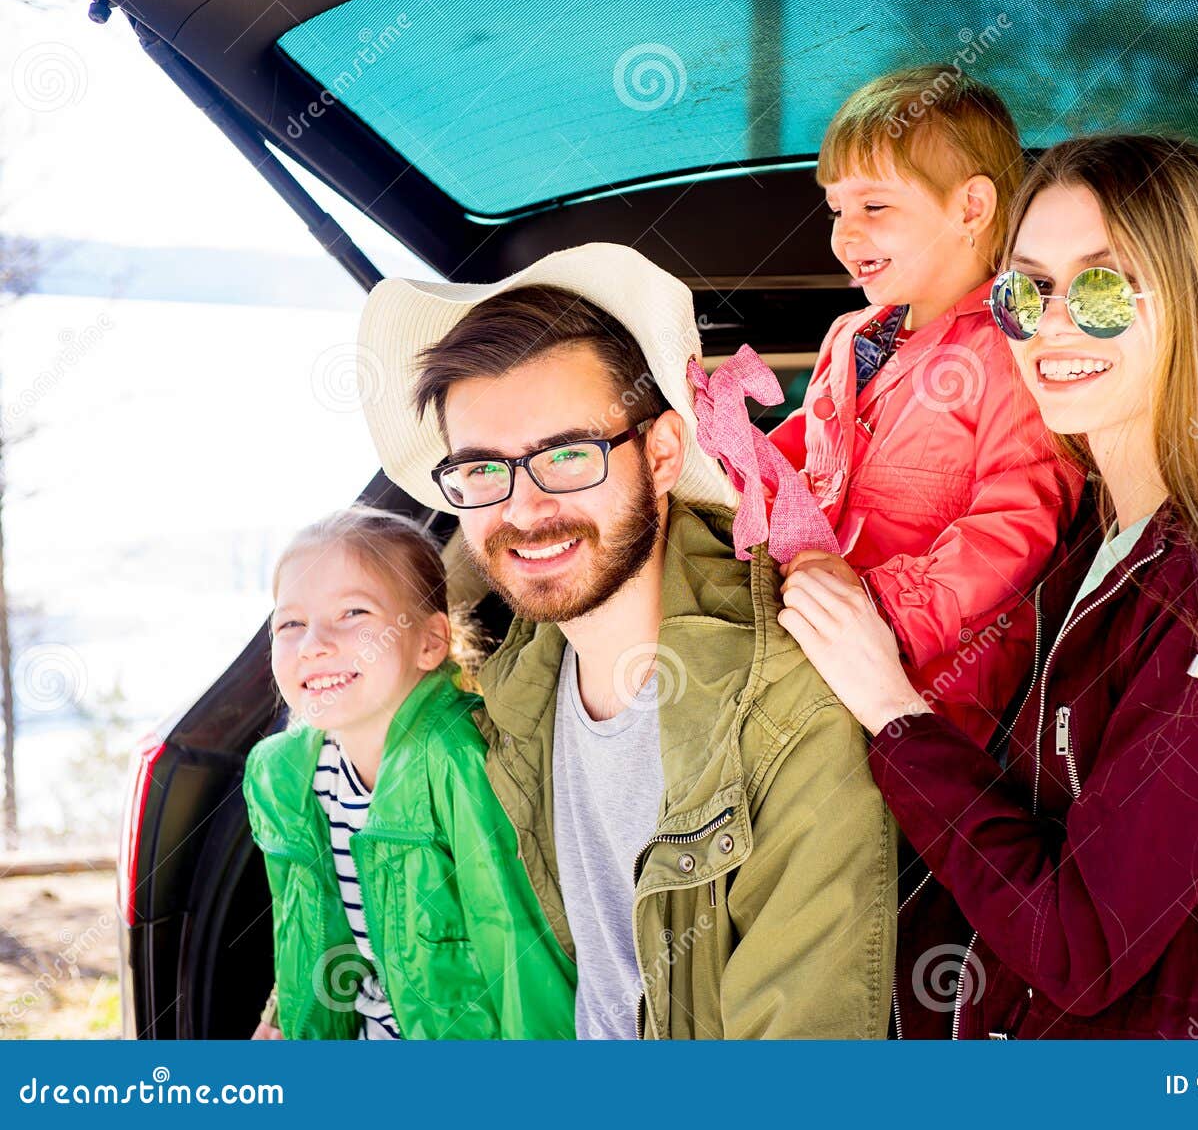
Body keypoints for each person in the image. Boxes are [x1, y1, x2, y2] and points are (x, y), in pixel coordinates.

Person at [778, 134, 1198, 1038]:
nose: (1050, 324)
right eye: (1025, 288)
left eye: (1100, 287)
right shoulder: (1089, 538)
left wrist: (890, 706)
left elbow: (1079, 946)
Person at [357, 242, 897, 1038]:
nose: (526, 508)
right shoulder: (508, 699)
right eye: (481, 471)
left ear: (664, 453)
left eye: (568, 456)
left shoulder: (786, 708)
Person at [769, 65, 1080, 747]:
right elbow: (798, 452)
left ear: (970, 208)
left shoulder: (1012, 349)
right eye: (836, 211)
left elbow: (1017, 523)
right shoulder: (853, 337)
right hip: (812, 639)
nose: (846, 235)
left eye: (874, 207)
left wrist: (880, 609)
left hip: (926, 690)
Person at [244, 506, 576, 1039]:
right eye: (291, 623)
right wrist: (279, 1018)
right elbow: (303, 927)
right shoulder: (285, 777)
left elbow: (519, 951)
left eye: (353, 613)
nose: (314, 644)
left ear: (429, 642)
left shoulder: (459, 762)